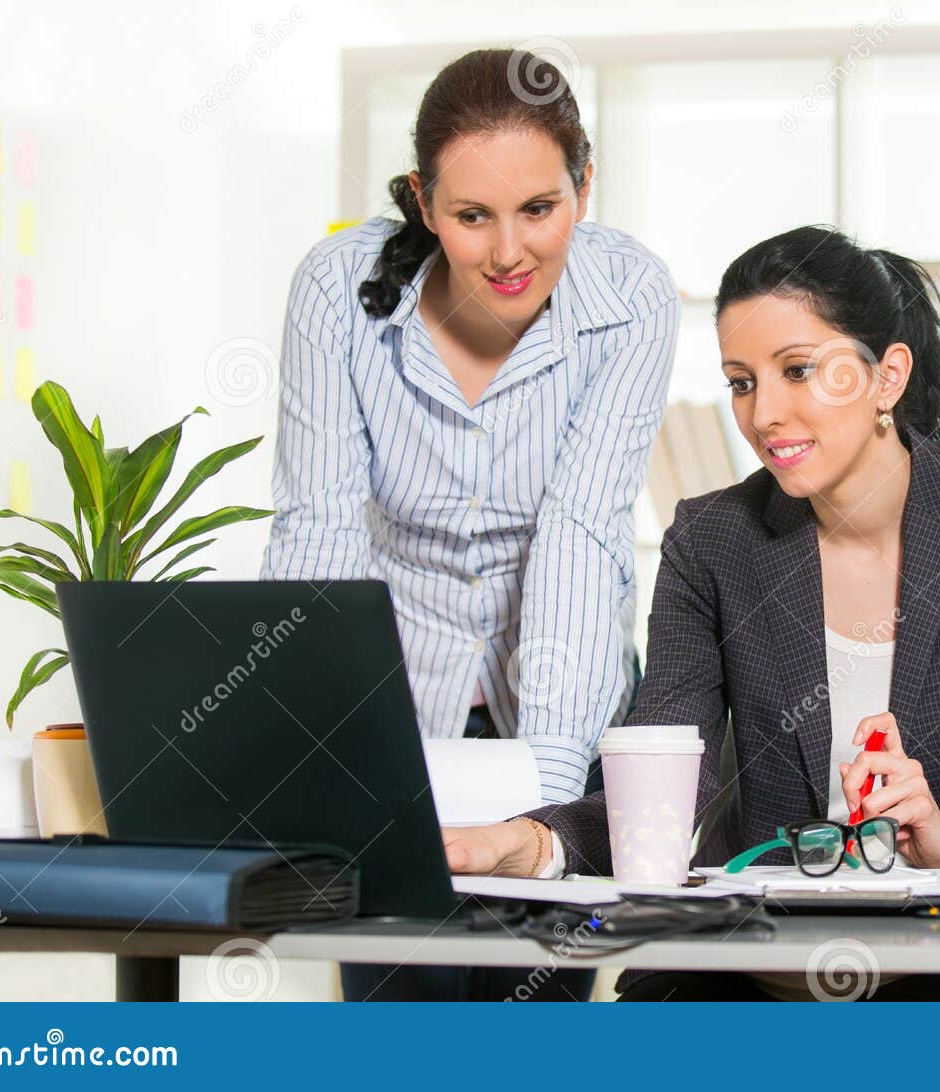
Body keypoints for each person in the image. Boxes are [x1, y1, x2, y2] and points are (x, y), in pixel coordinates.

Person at [443, 226, 940, 1001]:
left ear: (887, 377)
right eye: (742, 382)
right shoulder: (713, 540)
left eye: (798, 371)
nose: (764, 413)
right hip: (763, 975)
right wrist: (533, 844)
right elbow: (671, 786)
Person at [260, 48, 676, 1001]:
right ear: (420, 201)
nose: (508, 253)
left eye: (540, 209)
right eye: (470, 216)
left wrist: (554, 810)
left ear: (585, 184)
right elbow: (319, 531)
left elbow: (582, 533)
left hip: (562, 684)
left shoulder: (630, 301)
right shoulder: (336, 291)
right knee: (397, 997)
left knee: (542, 1006)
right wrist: (315, 751)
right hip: (397, 687)